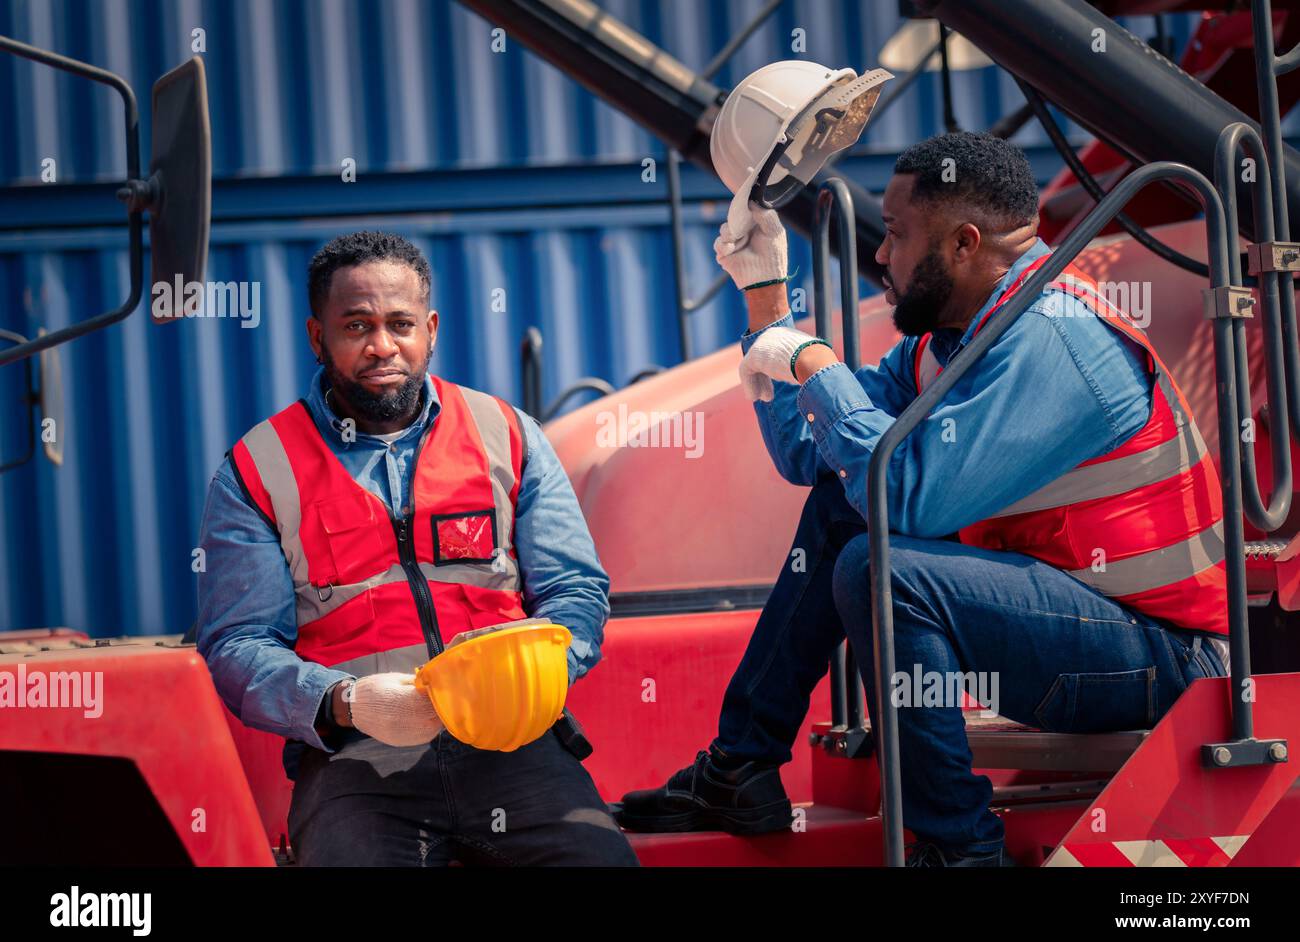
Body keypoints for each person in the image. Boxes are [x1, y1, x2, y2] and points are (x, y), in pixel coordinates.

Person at [614, 131, 1228, 867]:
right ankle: (740, 767)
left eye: (898, 235)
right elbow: (811, 456)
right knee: (841, 510)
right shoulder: (952, 340)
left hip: (1163, 659)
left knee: (885, 574)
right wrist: (767, 304)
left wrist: (814, 360)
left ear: (964, 243)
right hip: (1071, 625)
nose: (879, 254)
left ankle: (960, 851)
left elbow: (907, 498)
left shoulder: (1056, 338)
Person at [195, 230, 637, 867]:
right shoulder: (257, 470)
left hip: (516, 749)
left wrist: (533, 679)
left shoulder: (507, 435)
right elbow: (237, 643)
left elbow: (575, 591)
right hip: (356, 765)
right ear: (318, 338)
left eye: (400, 324)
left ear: (430, 328)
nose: (382, 346)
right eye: (356, 326)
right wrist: (343, 702)